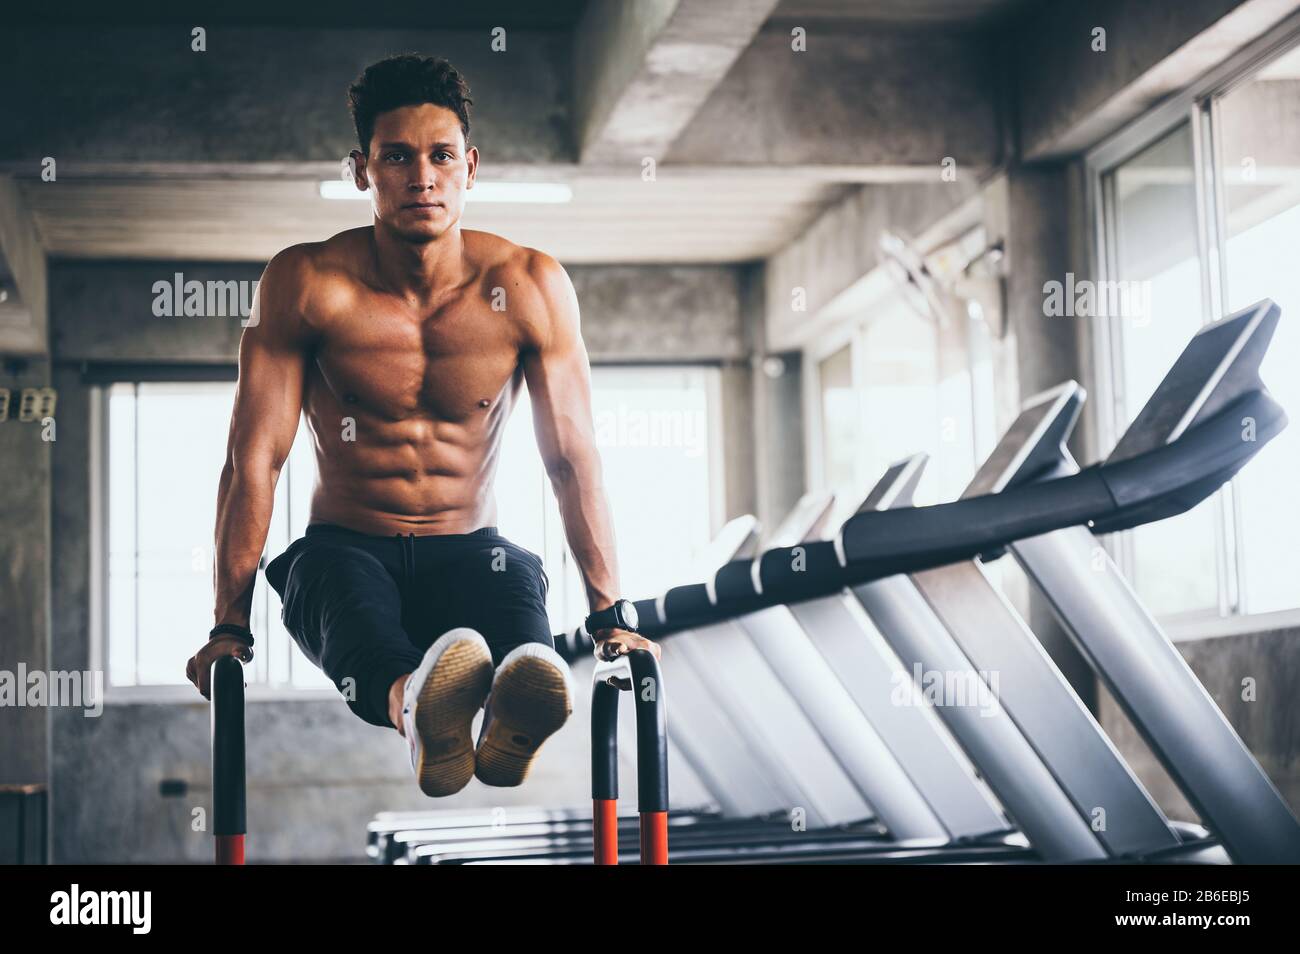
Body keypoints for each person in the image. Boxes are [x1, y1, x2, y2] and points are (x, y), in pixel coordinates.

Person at [184, 53, 659, 797]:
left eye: (440, 156)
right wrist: (227, 628)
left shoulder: (530, 286)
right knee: (345, 603)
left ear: (470, 166)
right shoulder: (306, 283)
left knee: (522, 631)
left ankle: (509, 707)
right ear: (360, 171)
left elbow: (572, 458)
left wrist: (611, 614)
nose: (421, 177)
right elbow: (254, 461)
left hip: (472, 550)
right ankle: (419, 711)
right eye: (396, 157)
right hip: (347, 548)